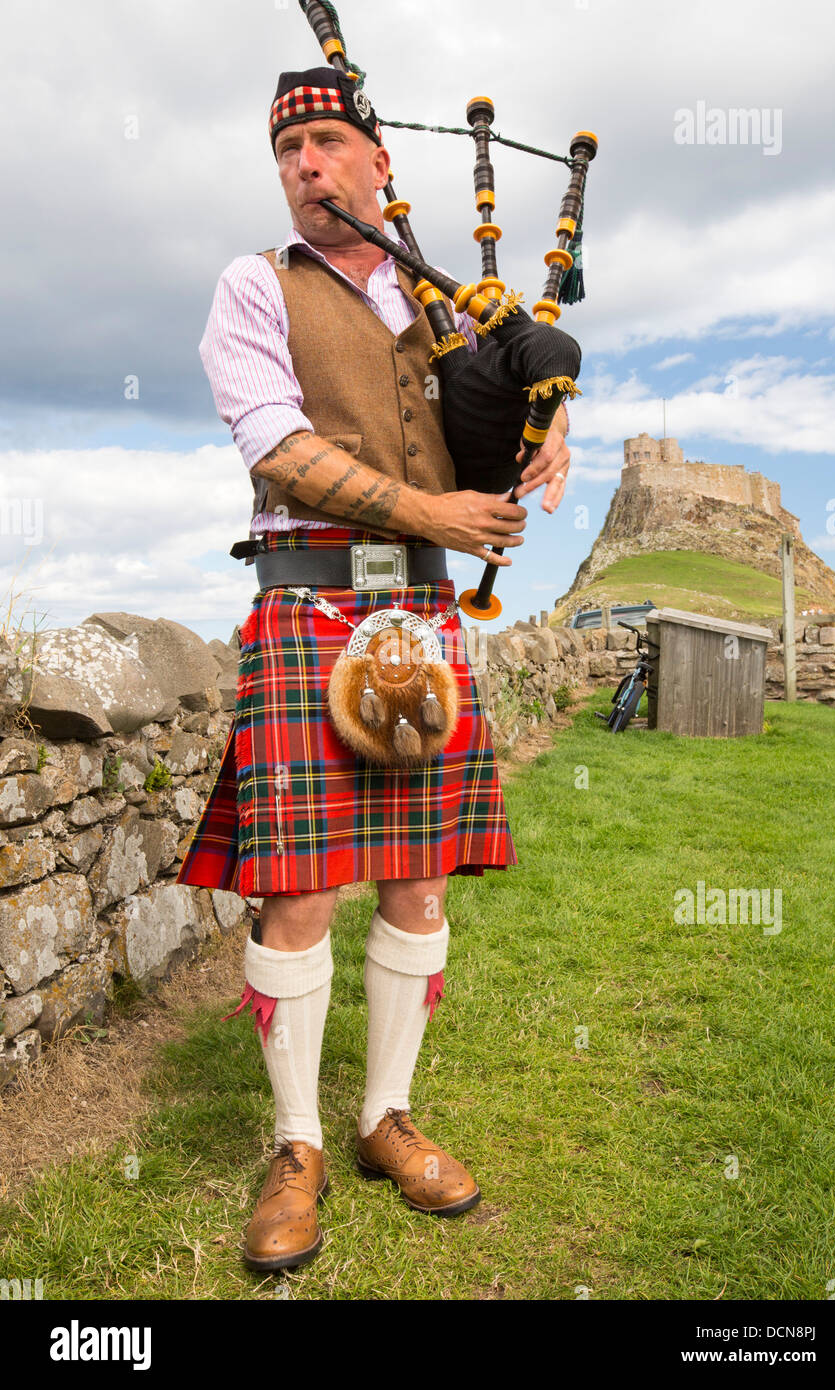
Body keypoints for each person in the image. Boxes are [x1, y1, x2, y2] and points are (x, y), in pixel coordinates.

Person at [175, 65, 572, 1271]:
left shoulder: (444, 300)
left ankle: (380, 1118)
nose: (306, 166)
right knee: (296, 889)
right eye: (289, 151)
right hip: (310, 604)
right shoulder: (253, 288)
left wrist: (546, 416)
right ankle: (294, 1142)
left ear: (378, 160)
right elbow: (279, 449)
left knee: (416, 880)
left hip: (426, 616)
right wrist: (427, 512)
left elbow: (493, 413)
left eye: (330, 143)